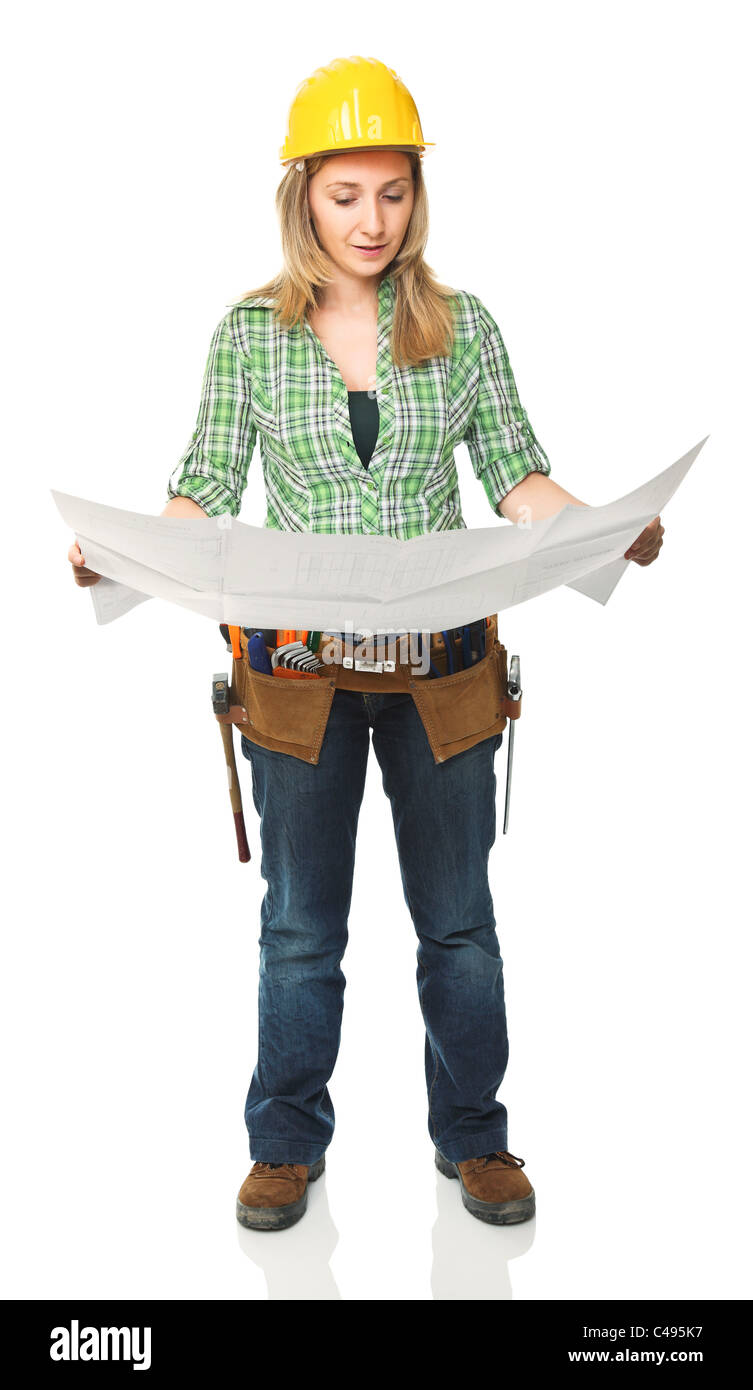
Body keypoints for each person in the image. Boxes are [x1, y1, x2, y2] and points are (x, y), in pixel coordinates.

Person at [68, 56, 664, 1232]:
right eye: (347, 194)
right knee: (300, 930)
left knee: (460, 923)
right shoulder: (251, 336)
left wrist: (606, 532)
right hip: (297, 679)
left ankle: (476, 1136)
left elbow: (517, 478)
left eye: (393, 192)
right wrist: (125, 555)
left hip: (444, 673)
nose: (372, 220)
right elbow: (204, 489)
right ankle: (284, 1145)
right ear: (303, 194)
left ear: (416, 195)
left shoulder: (463, 326)